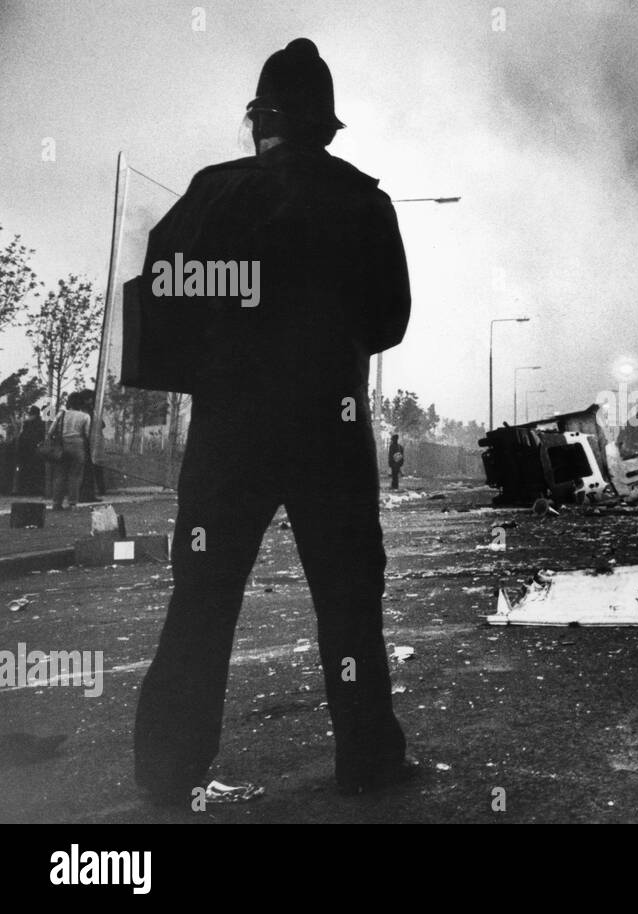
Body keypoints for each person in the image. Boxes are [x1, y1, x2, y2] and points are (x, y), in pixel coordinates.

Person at [133, 38, 413, 805]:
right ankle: (366, 761)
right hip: (330, 425)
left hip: (230, 432)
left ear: (261, 119)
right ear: (326, 126)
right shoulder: (364, 201)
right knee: (350, 600)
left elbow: (161, 301)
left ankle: (167, 769)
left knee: (203, 599)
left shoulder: (209, 194)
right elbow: (390, 320)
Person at [50, 395, 91, 510]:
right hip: (78, 446)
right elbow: (87, 434)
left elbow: (51, 431)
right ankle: (72, 503)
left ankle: (56, 503)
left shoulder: (61, 414)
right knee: (75, 475)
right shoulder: (85, 416)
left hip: (62, 446)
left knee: (60, 475)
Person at [14, 406, 46, 496]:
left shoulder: (27, 424)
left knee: (25, 471)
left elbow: (22, 437)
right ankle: (36, 490)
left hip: (26, 451)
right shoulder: (42, 424)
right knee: (37, 472)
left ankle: (24, 490)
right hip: (36, 450)